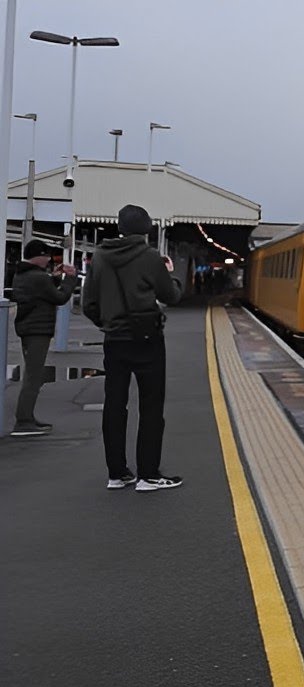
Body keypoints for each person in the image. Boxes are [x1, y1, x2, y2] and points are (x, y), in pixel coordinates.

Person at [82, 204, 184, 492]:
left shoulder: (100, 256)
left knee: (115, 405)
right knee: (151, 407)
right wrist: (171, 275)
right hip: (147, 339)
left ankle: (117, 473)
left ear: (120, 227)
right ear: (147, 229)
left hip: (114, 340)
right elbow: (171, 295)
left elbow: (88, 303)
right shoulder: (150, 257)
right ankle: (148, 475)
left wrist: (108, 323)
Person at [10, 240, 77, 437]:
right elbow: (59, 298)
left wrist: (53, 278)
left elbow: (41, 292)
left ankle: (27, 417)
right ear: (38, 257)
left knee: (32, 374)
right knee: (33, 376)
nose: (48, 259)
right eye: (46, 255)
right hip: (37, 331)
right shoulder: (38, 278)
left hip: (28, 328)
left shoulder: (22, 274)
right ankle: (23, 421)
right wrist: (70, 279)